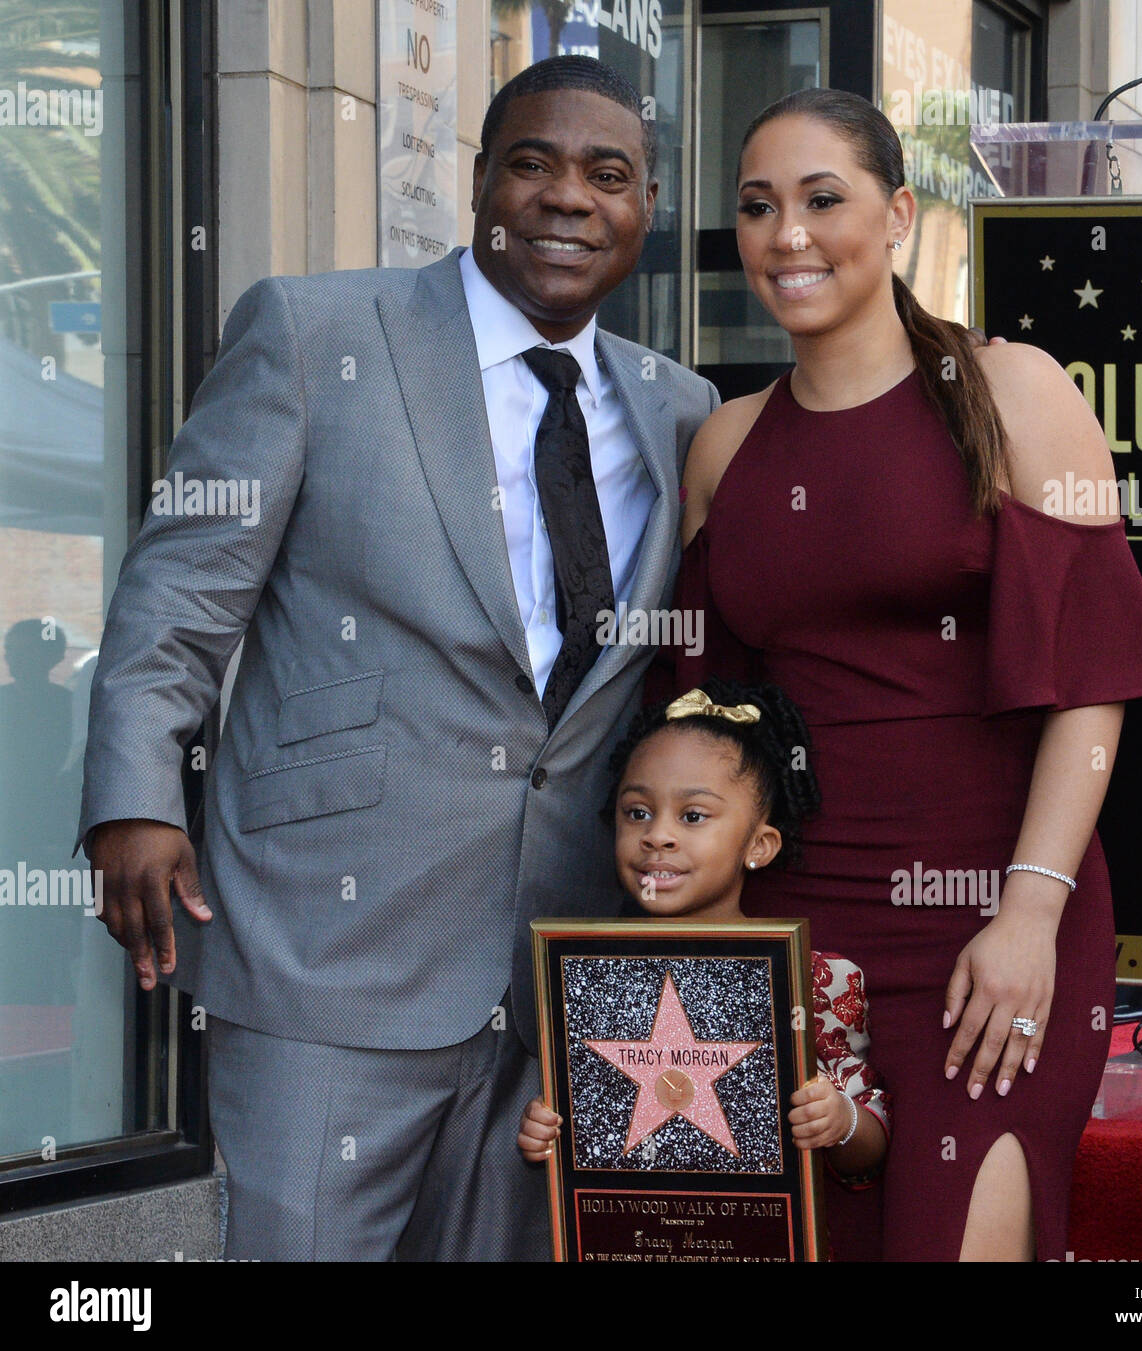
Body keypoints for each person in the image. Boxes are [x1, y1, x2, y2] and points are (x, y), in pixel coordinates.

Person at [75, 55, 717, 1261]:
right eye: (532, 163)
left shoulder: (678, 407)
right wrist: (133, 795)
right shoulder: (318, 332)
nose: (568, 198)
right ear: (479, 183)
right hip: (328, 953)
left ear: (645, 210)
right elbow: (181, 587)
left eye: (608, 175)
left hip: (553, 974)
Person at [665, 89, 1142, 1262]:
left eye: (821, 199)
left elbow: (1091, 687)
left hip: (994, 928)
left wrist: (1029, 911)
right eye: (756, 207)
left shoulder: (1015, 391)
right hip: (796, 930)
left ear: (896, 214)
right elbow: (706, 732)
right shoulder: (725, 444)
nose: (787, 235)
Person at [517, 680, 891, 1213]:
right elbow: (586, 1133)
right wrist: (545, 1133)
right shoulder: (584, 976)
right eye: (637, 812)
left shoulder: (813, 981)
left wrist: (839, 1121)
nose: (658, 835)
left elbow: (869, 1153)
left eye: (692, 816)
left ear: (759, 846)